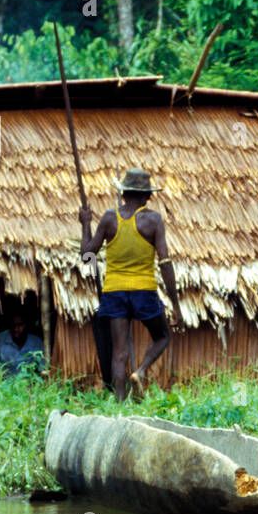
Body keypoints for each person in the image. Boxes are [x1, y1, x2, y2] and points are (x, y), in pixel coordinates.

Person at [80, 167, 178, 401]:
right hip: (144, 290)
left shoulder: (108, 218)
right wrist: (176, 304)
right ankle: (141, 371)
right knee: (162, 336)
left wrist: (85, 223)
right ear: (147, 196)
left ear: (123, 194)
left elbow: (86, 255)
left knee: (119, 352)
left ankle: (119, 406)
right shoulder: (153, 220)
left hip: (114, 291)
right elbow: (165, 262)